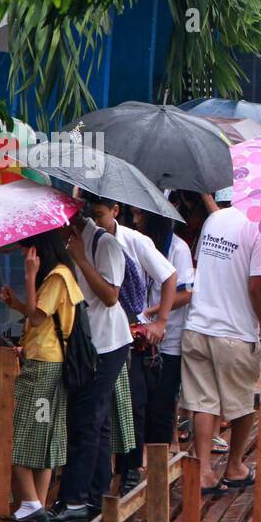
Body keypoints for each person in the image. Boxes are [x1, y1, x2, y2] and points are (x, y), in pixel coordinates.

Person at [85, 197, 178, 491]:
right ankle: (100, 475)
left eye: (100, 215)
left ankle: (130, 470)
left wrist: (161, 321)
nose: (96, 221)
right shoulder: (85, 241)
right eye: (92, 215)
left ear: (115, 212)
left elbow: (169, 275)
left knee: (133, 404)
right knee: (100, 405)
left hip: (132, 334)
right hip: (99, 331)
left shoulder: (134, 240)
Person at [181, 205, 261, 495]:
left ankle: (204, 471)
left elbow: (200, 266)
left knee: (202, 402)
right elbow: (257, 285)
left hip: (197, 326)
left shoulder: (214, 218)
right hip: (234, 331)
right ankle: (235, 465)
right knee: (244, 400)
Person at [48, 203, 133, 522]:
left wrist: (82, 258)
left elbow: (111, 297)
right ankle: (97, 495)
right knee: (97, 422)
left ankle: (73, 500)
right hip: (86, 343)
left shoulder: (104, 244)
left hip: (108, 343)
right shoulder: (69, 241)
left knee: (86, 421)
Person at [0, 230, 83, 522]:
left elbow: (38, 318)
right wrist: (18, 303)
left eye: (27, 250)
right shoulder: (60, 276)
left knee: (13, 432)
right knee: (43, 434)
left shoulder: (57, 276)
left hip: (43, 364)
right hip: (49, 360)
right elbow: (38, 313)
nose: (24, 256)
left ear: (39, 249)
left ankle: (31, 502)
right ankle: (37, 504)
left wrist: (30, 277)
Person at [132, 207, 194, 452]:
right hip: (144, 337)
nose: (136, 221)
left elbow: (187, 292)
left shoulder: (179, 249)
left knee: (164, 401)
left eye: (141, 216)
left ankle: (163, 453)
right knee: (143, 400)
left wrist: (155, 311)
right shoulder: (141, 243)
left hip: (170, 337)